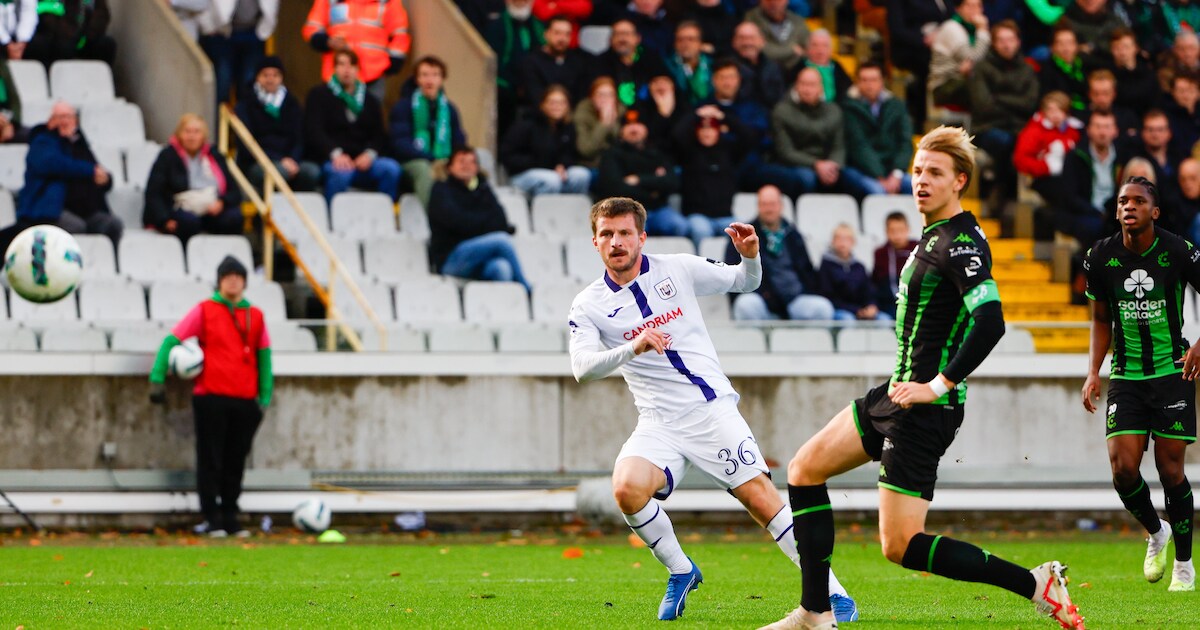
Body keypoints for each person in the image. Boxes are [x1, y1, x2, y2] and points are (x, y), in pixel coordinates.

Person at [762, 126, 1085, 630]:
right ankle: (814, 612)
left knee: (900, 546)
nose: (921, 181)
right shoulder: (934, 236)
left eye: (934, 172)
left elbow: (991, 322)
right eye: (917, 171)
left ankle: (1034, 583)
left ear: (960, 180)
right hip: (894, 396)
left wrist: (937, 386)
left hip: (925, 409)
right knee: (804, 469)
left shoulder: (960, 243)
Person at [567, 196, 857, 622]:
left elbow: (745, 281)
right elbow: (582, 369)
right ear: (595, 242)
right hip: (658, 422)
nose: (616, 242)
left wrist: (751, 256)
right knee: (626, 489)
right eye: (607, 234)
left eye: (625, 232)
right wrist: (633, 347)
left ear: (642, 237)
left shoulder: (678, 269)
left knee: (763, 501)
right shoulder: (588, 304)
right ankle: (681, 570)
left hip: (709, 410)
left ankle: (833, 594)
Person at [1081, 175, 1196, 594]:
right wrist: (1093, 371)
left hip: (1172, 371)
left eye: (1138, 201)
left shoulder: (1178, 250)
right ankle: (1156, 530)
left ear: (1155, 211)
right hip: (1127, 375)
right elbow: (1099, 319)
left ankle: (1184, 564)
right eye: (1122, 201)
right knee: (1123, 469)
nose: (1129, 206)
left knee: (1171, 471)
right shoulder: (1100, 256)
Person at [149, 256, 272, 539]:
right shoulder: (205, 310)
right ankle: (211, 517)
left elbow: (264, 357)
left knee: (235, 461)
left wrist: (264, 396)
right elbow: (172, 340)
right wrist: (157, 377)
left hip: (245, 399)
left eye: (238, 276)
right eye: (228, 276)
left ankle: (231, 516)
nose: (233, 281)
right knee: (210, 459)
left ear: (245, 282)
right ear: (219, 281)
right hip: (211, 397)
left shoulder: (256, 316)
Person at [0, 101, 120, 254]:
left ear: (75, 121)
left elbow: (98, 169)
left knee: (112, 224)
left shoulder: (80, 145)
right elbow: (52, 163)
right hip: (50, 211)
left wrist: (106, 179)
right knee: (76, 226)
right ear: (51, 121)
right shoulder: (42, 141)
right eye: (60, 117)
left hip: (86, 211)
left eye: (69, 117)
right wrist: (90, 170)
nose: (65, 121)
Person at [304, 49, 402, 202]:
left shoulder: (370, 100)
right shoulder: (318, 95)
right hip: (332, 159)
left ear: (358, 69)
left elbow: (379, 135)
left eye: (351, 65)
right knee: (341, 174)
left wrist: (369, 154)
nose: (347, 70)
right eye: (342, 64)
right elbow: (314, 131)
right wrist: (335, 154)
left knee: (391, 169)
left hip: (363, 161)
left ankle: (383, 214)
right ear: (334, 68)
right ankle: (332, 215)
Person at [428, 147, 531, 291]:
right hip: (451, 259)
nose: (467, 166)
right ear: (449, 167)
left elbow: (500, 221)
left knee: (501, 268)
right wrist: (484, 224)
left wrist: (475, 224)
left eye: (472, 162)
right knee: (502, 240)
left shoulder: (483, 189)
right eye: (461, 162)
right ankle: (526, 290)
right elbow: (457, 222)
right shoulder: (441, 190)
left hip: (479, 259)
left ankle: (504, 303)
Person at [725, 184, 833, 321]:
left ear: (781, 206)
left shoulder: (793, 234)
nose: (769, 209)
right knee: (745, 304)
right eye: (764, 204)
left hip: (795, 299)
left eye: (772, 204)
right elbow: (733, 274)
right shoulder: (744, 235)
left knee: (823, 308)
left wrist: (806, 291)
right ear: (758, 206)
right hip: (761, 301)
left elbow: (807, 271)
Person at [770, 67, 874, 199]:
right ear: (796, 86)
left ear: (821, 88)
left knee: (853, 178)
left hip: (828, 164)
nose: (807, 89)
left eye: (812, 85)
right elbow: (785, 152)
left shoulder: (833, 111)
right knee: (806, 179)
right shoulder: (782, 111)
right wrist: (816, 164)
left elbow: (838, 146)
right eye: (803, 84)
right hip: (797, 165)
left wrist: (833, 166)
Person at [143, 113, 243, 244]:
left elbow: (234, 191)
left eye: (196, 132)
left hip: (210, 210)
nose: (192, 136)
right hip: (178, 209)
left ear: (204, 135)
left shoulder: (215, 155)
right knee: (189, 222)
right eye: (187, 131)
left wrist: (222, 202)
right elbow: (154, 192)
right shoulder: (167, 156)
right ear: (179, 134)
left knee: (234, 218)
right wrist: (164, 220)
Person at [968, 19, 1038, 203]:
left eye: (1010, 40)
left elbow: (1030, 104)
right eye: (1001, 40)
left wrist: (999, 98)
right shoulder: (982, 68)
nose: (1006, 45)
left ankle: (1000, 189)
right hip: (987, 128)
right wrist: (1015, 105)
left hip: (1019, 128)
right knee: (1006, 142)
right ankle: (1003, 191)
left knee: (1025, 142)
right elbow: (983, 105)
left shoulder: (1027, 69)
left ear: (1018, 42)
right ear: (994, 43)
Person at [234, 56, 320, 194]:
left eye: (275, 75)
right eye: (265, 75)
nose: (270, 79)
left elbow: (299, 137)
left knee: (311, 171)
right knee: (278, 171)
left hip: (289, 161)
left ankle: (296, 206)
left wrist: (293, 159)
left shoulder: (292, 103)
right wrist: (279, 159)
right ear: (257, 77)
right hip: (257, 162)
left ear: (281, 78)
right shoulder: (245, 105)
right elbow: (246, 144)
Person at [389, 56, 466, 207]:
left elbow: (459, 140)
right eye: (424, 75)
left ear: (442, 79)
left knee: (469, 167)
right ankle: (434, 216)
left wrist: (451, 160)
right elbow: (400, 144)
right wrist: (432, 159)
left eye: (435, 75)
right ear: (417, 79)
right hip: (411, 162)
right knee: (424, 169)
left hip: (443, 160)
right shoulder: (403, 106)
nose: (429, 80)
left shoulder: (449, 109)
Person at [302, 0, 410, 102]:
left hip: (373, 75)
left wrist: (392, 64)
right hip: (335, 76)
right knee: (333, 113)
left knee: (370, 114)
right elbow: (312, 29)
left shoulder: (388, 2)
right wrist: (327, 41)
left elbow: (400, 34)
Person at [596, 110, 683, 236]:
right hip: (627, 212)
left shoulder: (657, 154)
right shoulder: (611, 154)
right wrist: (653, 191)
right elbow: (614, 188)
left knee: (679, 226)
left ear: (646, 129)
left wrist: (639, 180)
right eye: (628, 125)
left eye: (638, 124)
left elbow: (673, 182)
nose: (634, 129)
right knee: (634, 232)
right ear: (621, 130)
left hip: (657, 210)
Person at [673, 107, 752, 245]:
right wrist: (696, 115)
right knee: (701, 231)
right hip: (697, 216)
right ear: (696, 131)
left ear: (718, 131)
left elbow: (748, 136)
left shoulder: (728, 151)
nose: (707, 133)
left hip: (725, 215)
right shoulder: (688, 151)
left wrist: (723, 116)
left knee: (742, 234)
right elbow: (676, 134)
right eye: (703, 129)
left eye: (711, 129)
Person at [500, 85, 591, 197]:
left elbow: (570, 154)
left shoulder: (568, 127)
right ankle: (545, 208)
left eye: (562, 103)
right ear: (543, 105)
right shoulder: (526, 125)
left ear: (568, 106)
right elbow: (507, 156)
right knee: (552, 180)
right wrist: (546, 165)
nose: (557, 106)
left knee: (582, 175)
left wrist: (562, 165)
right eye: (552, 102)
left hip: (554, 173)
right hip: (522, 175)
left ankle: (574, 208)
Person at [843, 61, 914, 196]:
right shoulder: (848, 108)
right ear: (857, 82)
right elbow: (859, 146)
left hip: (893, 171)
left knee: (918, 188)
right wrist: (880, 177)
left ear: (882, 81)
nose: (869, 85)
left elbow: (905, 143)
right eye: (864, 80)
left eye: (874, 80)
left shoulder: (897, 106)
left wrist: (896, 173)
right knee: (877, 191)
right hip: (861, 170)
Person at [1057, 109, 1124, 249]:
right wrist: (1097, 213)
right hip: (1085, 213)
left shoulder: (1123, 158)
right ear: (1089, 130)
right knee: (1094, 227)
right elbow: (1070, 196)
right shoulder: (1075, 156)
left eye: (1107, 127)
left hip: (1115, 213)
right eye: (1098, 126)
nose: (1102, 132)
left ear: (1115, 131)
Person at [196, 0, 278, 105]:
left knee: (248, 85)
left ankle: (243, 115)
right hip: (221, 34)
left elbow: (271, 8)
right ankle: (218, 115)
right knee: (222, 83)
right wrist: (207, 26)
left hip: (253, 35)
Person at [484, 0, 544, 134]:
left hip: (533, 82)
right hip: (506, 84)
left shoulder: (538, 26)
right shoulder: (496, 26)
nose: (521, 3)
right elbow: (494, 60)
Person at [1013, 91, 1082, 201]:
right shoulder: (1034, 131)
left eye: (1060, 110)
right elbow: (1020, 159)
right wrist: (1046, 167)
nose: (1056, 114)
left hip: (1068, 177)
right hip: (1041, 178)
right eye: (1051, 110)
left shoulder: (1073, 131)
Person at [517, 15, 591, 109]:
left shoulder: (578, 62)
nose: (562, 39)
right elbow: (534, 96)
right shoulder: (531, 62)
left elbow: (581, 96)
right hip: (539, 113)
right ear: (546, 34)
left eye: (567, 34)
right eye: (557, 33)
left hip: (572, 115)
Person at [817, 223, 888, 322]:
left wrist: (871, 306)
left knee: (884, 320)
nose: (842, 242)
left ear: (853, 242)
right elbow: (828, 297)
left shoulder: (859, 267)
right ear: (833, 241)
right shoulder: (826, 266)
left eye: (846, 239)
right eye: (838, 238)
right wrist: (856, 310)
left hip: (861, 310)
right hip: (839, 311)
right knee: (848, 319)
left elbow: (868, 292)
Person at [593, 18, 669, 108]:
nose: (622, 39)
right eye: (617, 34)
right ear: (610, 40)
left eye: (627, 34)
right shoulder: (600, 62)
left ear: (638, 38)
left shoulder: (652, 59)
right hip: (612, 113)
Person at [928, 0, 990, 109]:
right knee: (986, 91)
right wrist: (982, 30)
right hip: (945, 85)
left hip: (965, 81)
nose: (974, 10)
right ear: (958, 9)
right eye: (969, 6)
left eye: (978, 6)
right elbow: (974, 58)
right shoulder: (951, 28)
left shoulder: (974, 29)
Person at [24, 0, 115, 67]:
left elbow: (102, 15)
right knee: (60, 45)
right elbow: (47, 16)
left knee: (107, 44)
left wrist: (88, 32)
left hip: (84, 36)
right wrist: (69, 33)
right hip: (55, 34)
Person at [871, 211, 917, 317]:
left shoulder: (918, 249)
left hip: (914, 303)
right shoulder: (881, 253)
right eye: (892, 231)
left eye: (901, 230)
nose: (897, 235)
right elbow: (875, 282)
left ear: (908, 229)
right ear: (886, 232)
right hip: (888, 306)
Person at [731, 21, 786, 108]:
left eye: (751, 38)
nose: (747, 43)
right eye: (742, 38)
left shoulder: (773, 67)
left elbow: (779, 98)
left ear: (762, 41)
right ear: (734, 42)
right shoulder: (727, 67)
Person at [574, 76, 625, 170]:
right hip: (591, 165)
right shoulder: (582, 114)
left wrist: (612, 121)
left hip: (618, 164)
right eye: (601, 95)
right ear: (592, 97)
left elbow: (620, 144)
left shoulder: (622, 112)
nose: (605, 99)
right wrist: (603, 124)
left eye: (610, 95)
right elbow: (586, 150)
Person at [744, 0, 809, 72]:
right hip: (761, 71)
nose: (773, 3)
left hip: (796, 70)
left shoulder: (797, 21)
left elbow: (807, 50)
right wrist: (792, 50)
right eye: (769, 0)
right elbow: (761, 50)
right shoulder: (751, 19)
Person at [1038, 25, 1088, 116]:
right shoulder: (1046, 70)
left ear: (1077, 46)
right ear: (1052, 48)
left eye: (1070, 43)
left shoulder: (1085, 65)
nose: (1066, 48)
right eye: (1061, 44)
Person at [664, 20, 713, 106]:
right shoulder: (666, 67)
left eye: (691, 39)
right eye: (680, 40)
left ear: (700, 43)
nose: (685, 44)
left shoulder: (713, 65)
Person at [799, 29, 851, 102]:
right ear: (808, 48)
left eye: (825, 46)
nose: (820, 51)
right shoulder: (799, 68)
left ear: (831, 49)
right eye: (815, 45)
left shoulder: (837, 67)